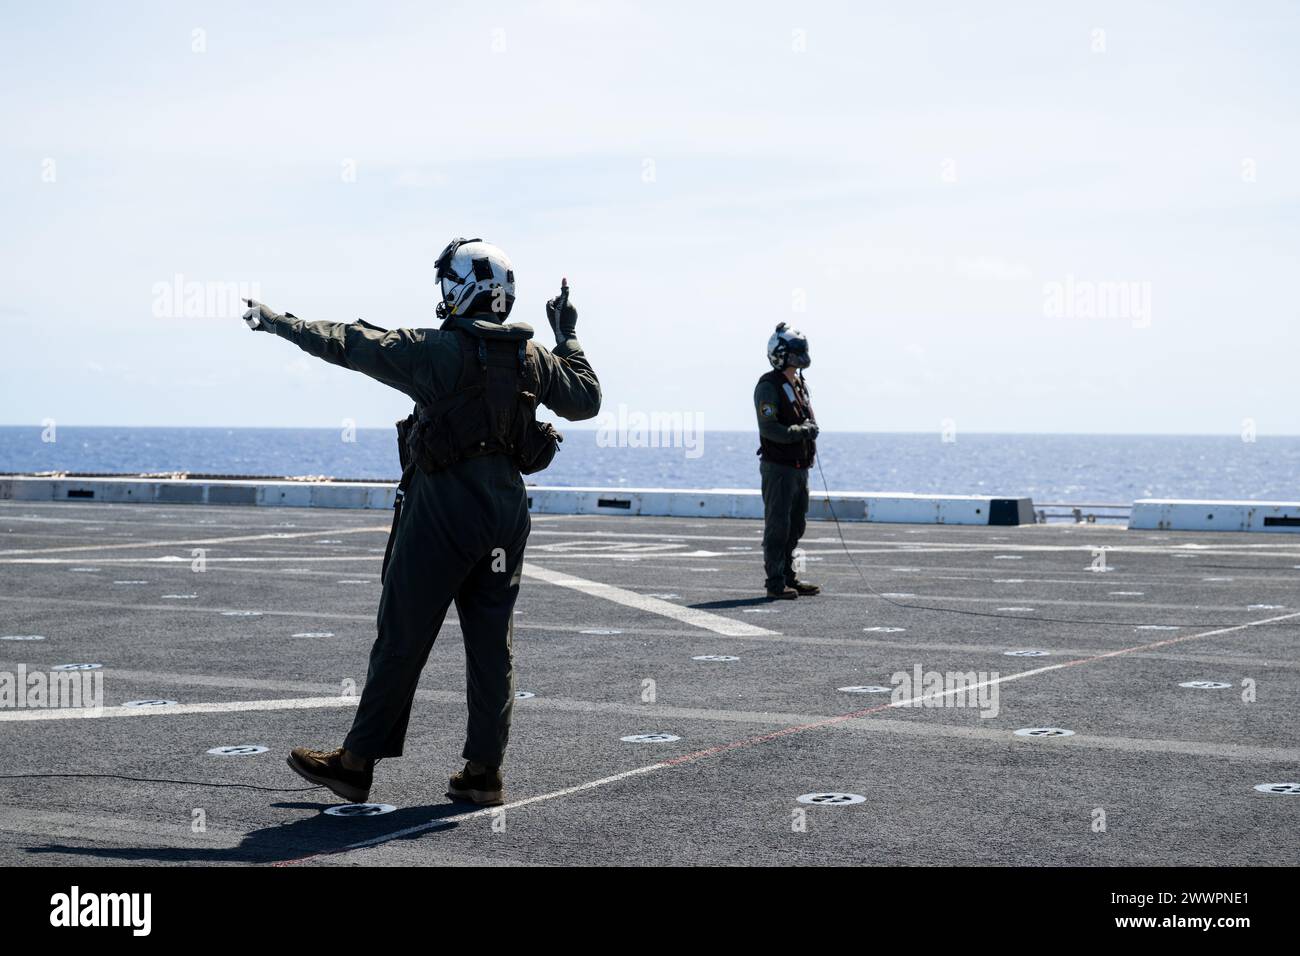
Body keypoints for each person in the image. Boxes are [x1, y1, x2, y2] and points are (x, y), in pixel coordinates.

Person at [241, 237, 601, 806]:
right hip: (507, 517)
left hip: (443, 514)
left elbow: (348, 343)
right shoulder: (534, 358)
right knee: (492, 645)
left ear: (458, 290)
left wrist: (279, 322)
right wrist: (568, 333)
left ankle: (356, 763)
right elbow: (587, 399)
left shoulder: (434, 352)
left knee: (403, 634)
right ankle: (483, 773)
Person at [754, 323, 821, 600]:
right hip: (779, 468)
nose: (797, 358)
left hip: (798, 468)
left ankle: (789, 577)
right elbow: (769, 428)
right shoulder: (768, 387)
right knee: (778, 526)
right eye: (793, 353)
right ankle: (775, 582)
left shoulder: (799, 384)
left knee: (795, 525)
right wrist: (802, 432)